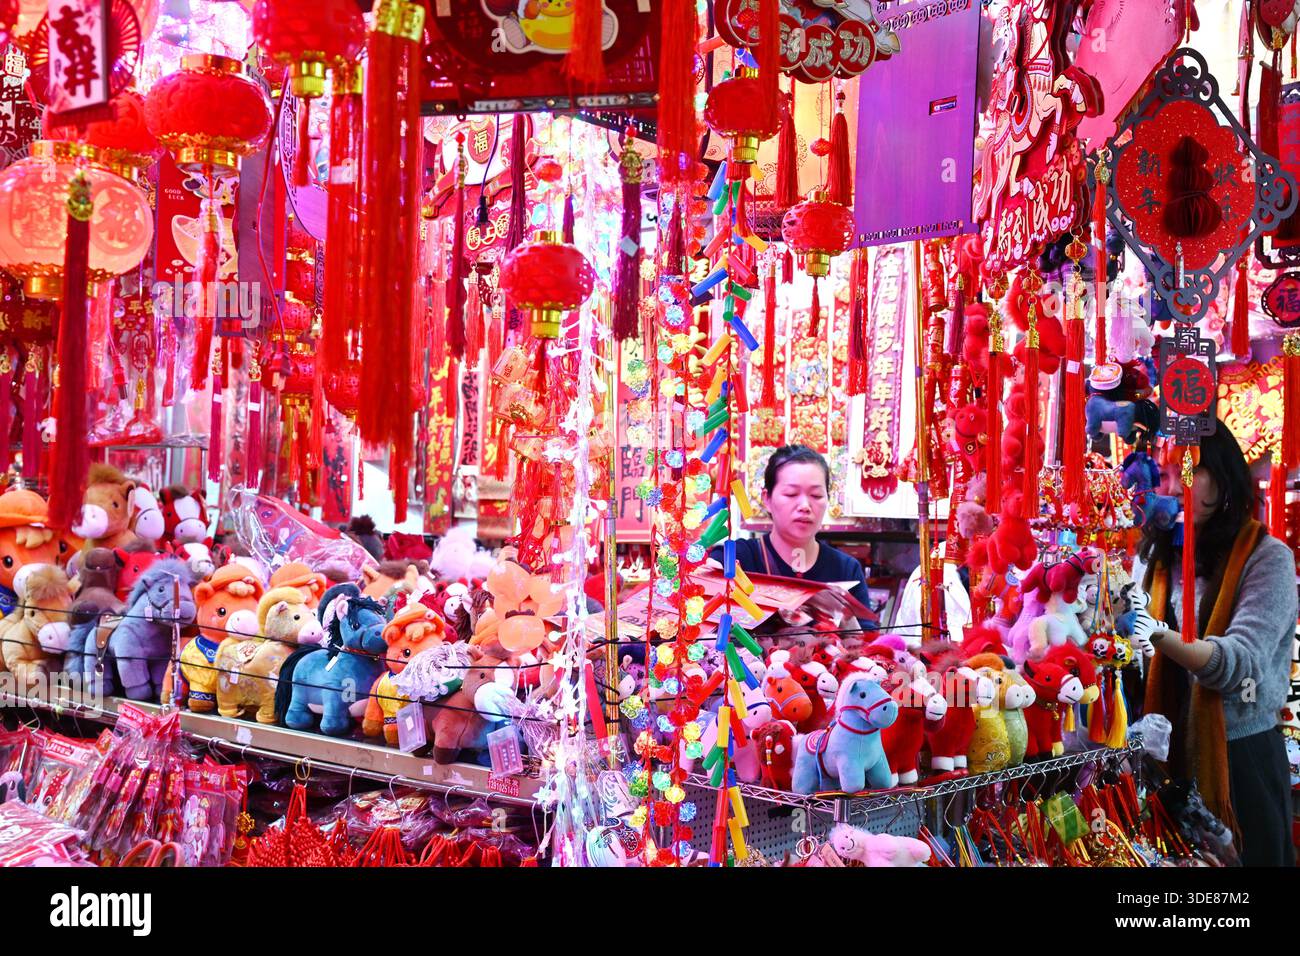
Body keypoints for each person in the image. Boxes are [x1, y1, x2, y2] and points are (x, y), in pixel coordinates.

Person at [1136, 419, 1296, 866]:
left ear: (1221, 479)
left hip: (1240, 758)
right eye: (1162, 474)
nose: (1167, 485)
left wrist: (1155, 633)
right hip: (1166, 751)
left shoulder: (1268, 559)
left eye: (1181, 472)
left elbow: (1241, 665)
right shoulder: (1158, 558)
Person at [710, 445, 873, 629]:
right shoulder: (734, 559)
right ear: (767, 499)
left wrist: (847, 621)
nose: (804, 505)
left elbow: (868, 646)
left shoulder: (846, 568)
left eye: (816, 495)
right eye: (791, 494)